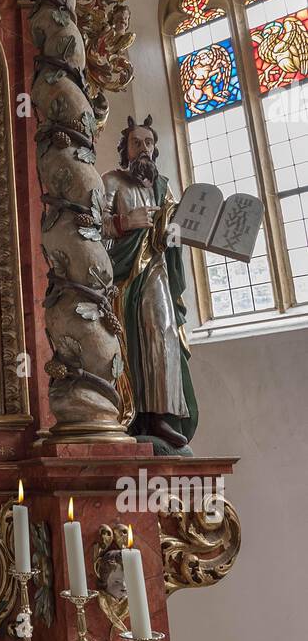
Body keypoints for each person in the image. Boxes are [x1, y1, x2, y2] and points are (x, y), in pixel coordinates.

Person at [103, 116, 197, 450]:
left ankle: (162, 415)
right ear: (125, 149)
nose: (143, 148)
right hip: (124, 276)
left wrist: (181, 230)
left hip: (157, 269)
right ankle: (132, 413)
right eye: (136, 142)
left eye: (149, 143)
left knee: (164, 330)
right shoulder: (112, 182)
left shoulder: (163, 186)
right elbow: (87, 226)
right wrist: (122, 222)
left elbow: (174, 226)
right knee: (130, 342)